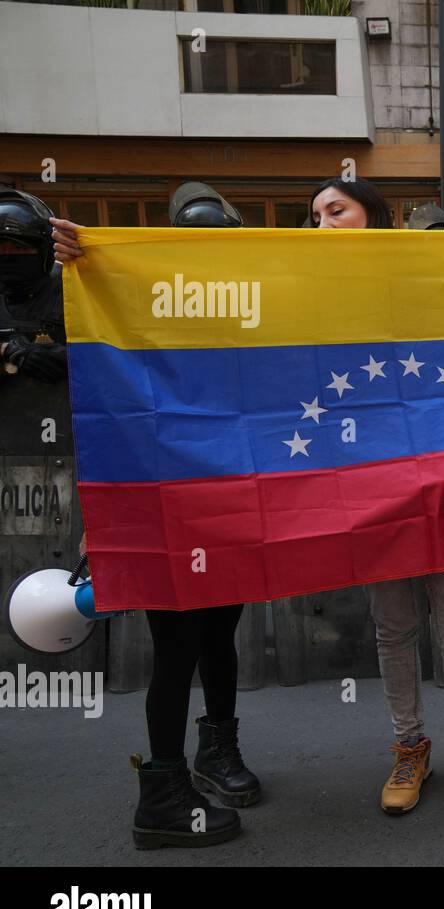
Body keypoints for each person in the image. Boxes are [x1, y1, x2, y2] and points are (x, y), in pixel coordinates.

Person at [302, 180, 444, 813]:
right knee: (393, 628)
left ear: (374, 216)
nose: (323, 224)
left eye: (336, 210)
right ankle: (409, 747)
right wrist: (93, 258)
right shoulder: (304, 285)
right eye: (314, 215)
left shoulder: (430, 278)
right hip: (370, 486)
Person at [50, 183, 257, 850]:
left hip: (227, 490)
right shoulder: (138, 297)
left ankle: (215, 753)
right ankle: (162, 794)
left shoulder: (248, 304)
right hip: (162, 494)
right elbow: (96, 386)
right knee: (177, 644)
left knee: (220, 630)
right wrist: (72, 258)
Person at [1, 189, 67, 384]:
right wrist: (8, 350)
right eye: (0, 248)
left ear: (44, 250)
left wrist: (69, 357)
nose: (8, 255)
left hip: (62, 408)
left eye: (19, 248)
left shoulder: (73, 288)